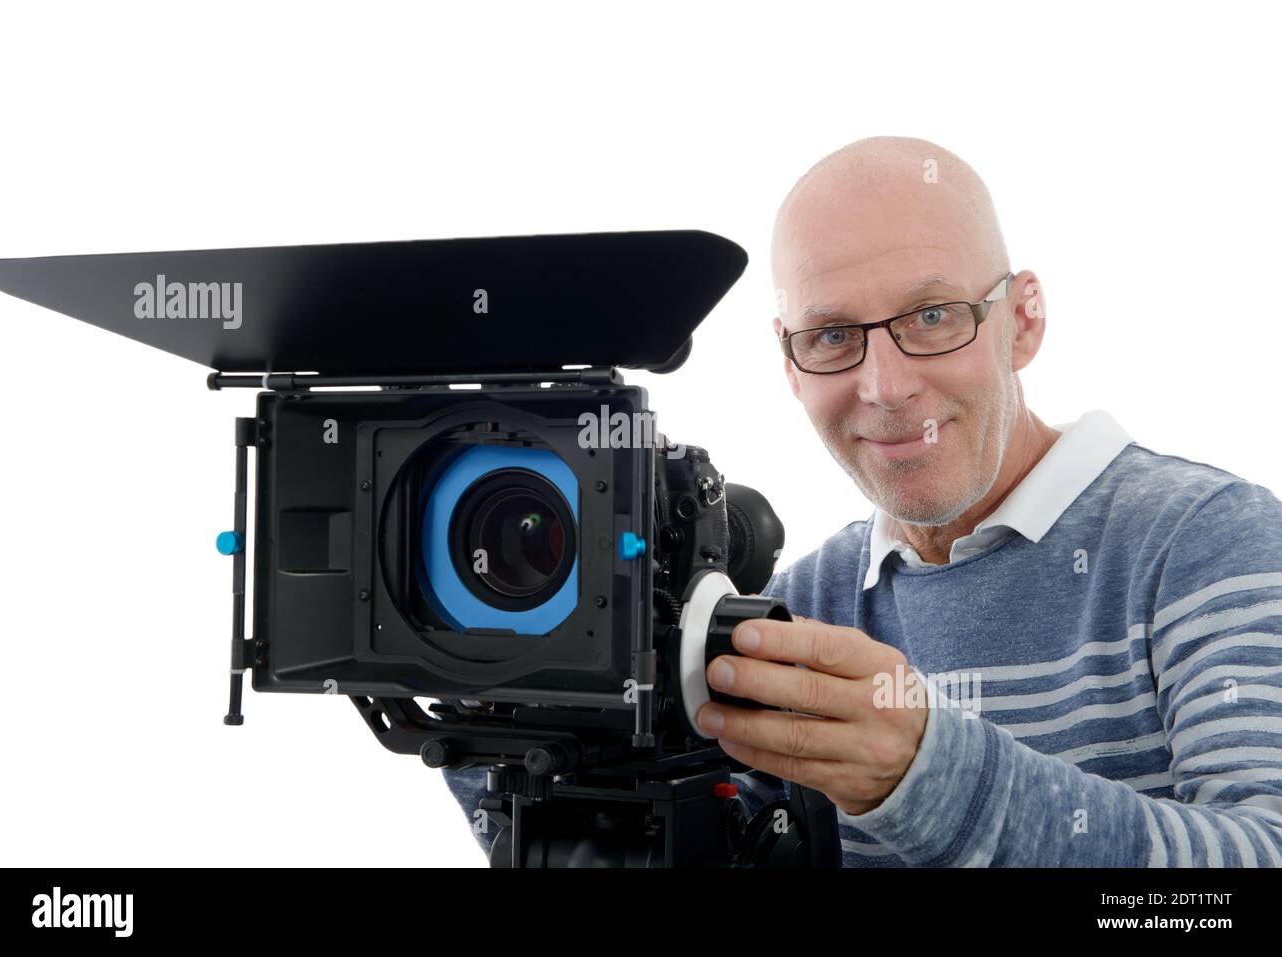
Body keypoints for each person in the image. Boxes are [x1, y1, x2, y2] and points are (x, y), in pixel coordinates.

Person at [447, 136, 1282, 866]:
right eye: (832, 336)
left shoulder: (1207, 541)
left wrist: (931, 774)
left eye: (932, 315)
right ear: (788, 361)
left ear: (1022, 320)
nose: (883, 387)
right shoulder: (799, 612)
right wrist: (491, 694)